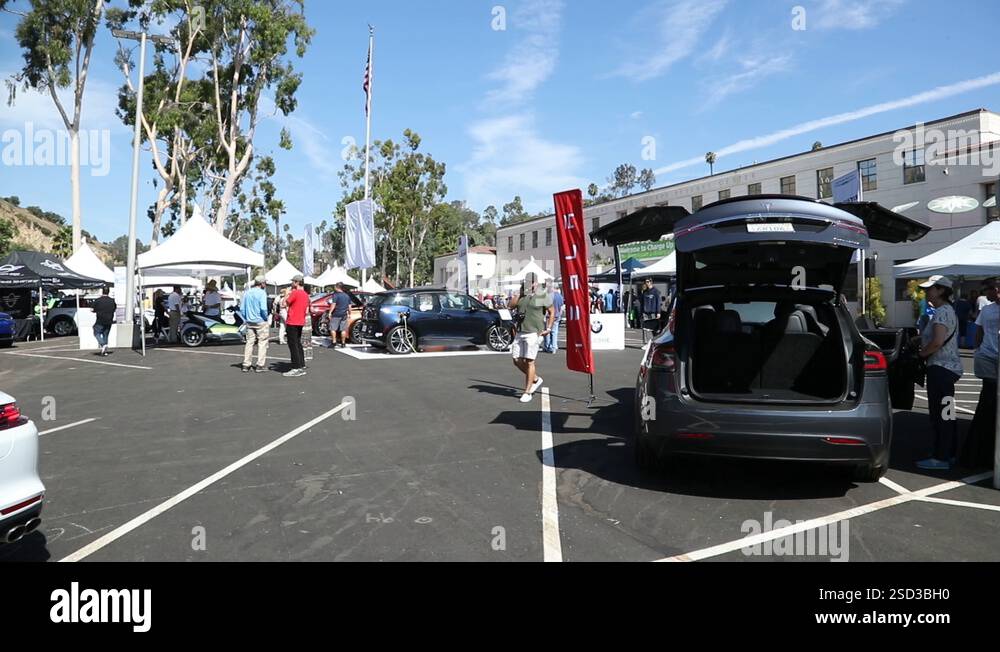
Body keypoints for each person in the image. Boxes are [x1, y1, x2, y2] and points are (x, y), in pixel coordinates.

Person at [912, 276, 964, 471]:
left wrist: (921, 354)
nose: (926, 293)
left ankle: (940, 457)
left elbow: (937, 341)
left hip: (940, 369)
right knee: (948, 413)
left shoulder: (941, 312)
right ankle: (948, 453)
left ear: (941, 291)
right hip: (949, 370)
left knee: (940, 415)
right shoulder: (948, 311)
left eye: (930, 289)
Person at [963, 279, 999, 468]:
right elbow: (979, 330)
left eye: (989, 290)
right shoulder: (987, 310)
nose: (988, 293)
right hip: (987, 356)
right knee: (989, 396)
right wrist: (978, 349)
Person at [509, 274, 555, 403]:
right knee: (516, 360)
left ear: (536, 283)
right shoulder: (522, 296)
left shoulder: (541, 295)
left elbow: (552, 311)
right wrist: (519, 293)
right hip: (520, 331)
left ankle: (527, 391)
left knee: (530, 361)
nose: (528, 285)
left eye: (531, 283)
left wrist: (549, 328)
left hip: (534, 332)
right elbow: (510, 306)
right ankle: (535, 379)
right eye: (526, 282)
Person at [240, 275, 270, 373]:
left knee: (249, 342)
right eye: (264, 283)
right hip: (260, 320)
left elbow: (242, 308)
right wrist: (265, 318)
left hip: (249, 321)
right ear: (261, 283)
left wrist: (246, 317)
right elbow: (263, 308)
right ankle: (259, 365)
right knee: (262, 342)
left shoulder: (247, 293)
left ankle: (246, 364)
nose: (265, 284)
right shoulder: (262, 293)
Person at [283, 275, 309, 377]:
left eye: (293, 282)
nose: (292, 283)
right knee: (298, 343)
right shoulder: (305, 294)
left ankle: (296, 367)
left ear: (297, 282)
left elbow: (285, 303)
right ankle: (301, 364)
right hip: (300, 321)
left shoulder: (295, 292)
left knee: (293, 345)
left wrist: (286, 294)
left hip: (292, 321)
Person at [91, 286, 116, 356]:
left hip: (100, 320)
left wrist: (96, 310)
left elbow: (92, 309)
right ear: (108, 292)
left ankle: (103, 344)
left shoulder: (98, 300)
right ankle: (104, 351)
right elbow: (114, 309)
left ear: (102, 291)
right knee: (106, 334)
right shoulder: (112, 301)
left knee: (96, 332)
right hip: (109, 320)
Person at [326, 282, 351, 348]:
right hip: (344, 314)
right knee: (343, 329)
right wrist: (349, 313)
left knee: (333, 328)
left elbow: (333, 304)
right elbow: (349, 306)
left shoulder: (336, 295)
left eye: (335, 286)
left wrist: (330, 312)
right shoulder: (347, 295)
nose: (334, 288)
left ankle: (334, 342)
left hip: (336, 314)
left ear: (337, 287)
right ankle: (343, 343)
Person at [544, 285, 564, 354]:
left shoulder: (549, 296)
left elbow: (546, 307)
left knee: (547, 332)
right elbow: (561, 308)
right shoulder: (560, 296)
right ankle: (554, 347)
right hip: (557, 315)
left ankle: (547, 346)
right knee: (554, 332)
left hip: (549, 316)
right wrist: (559, 315)